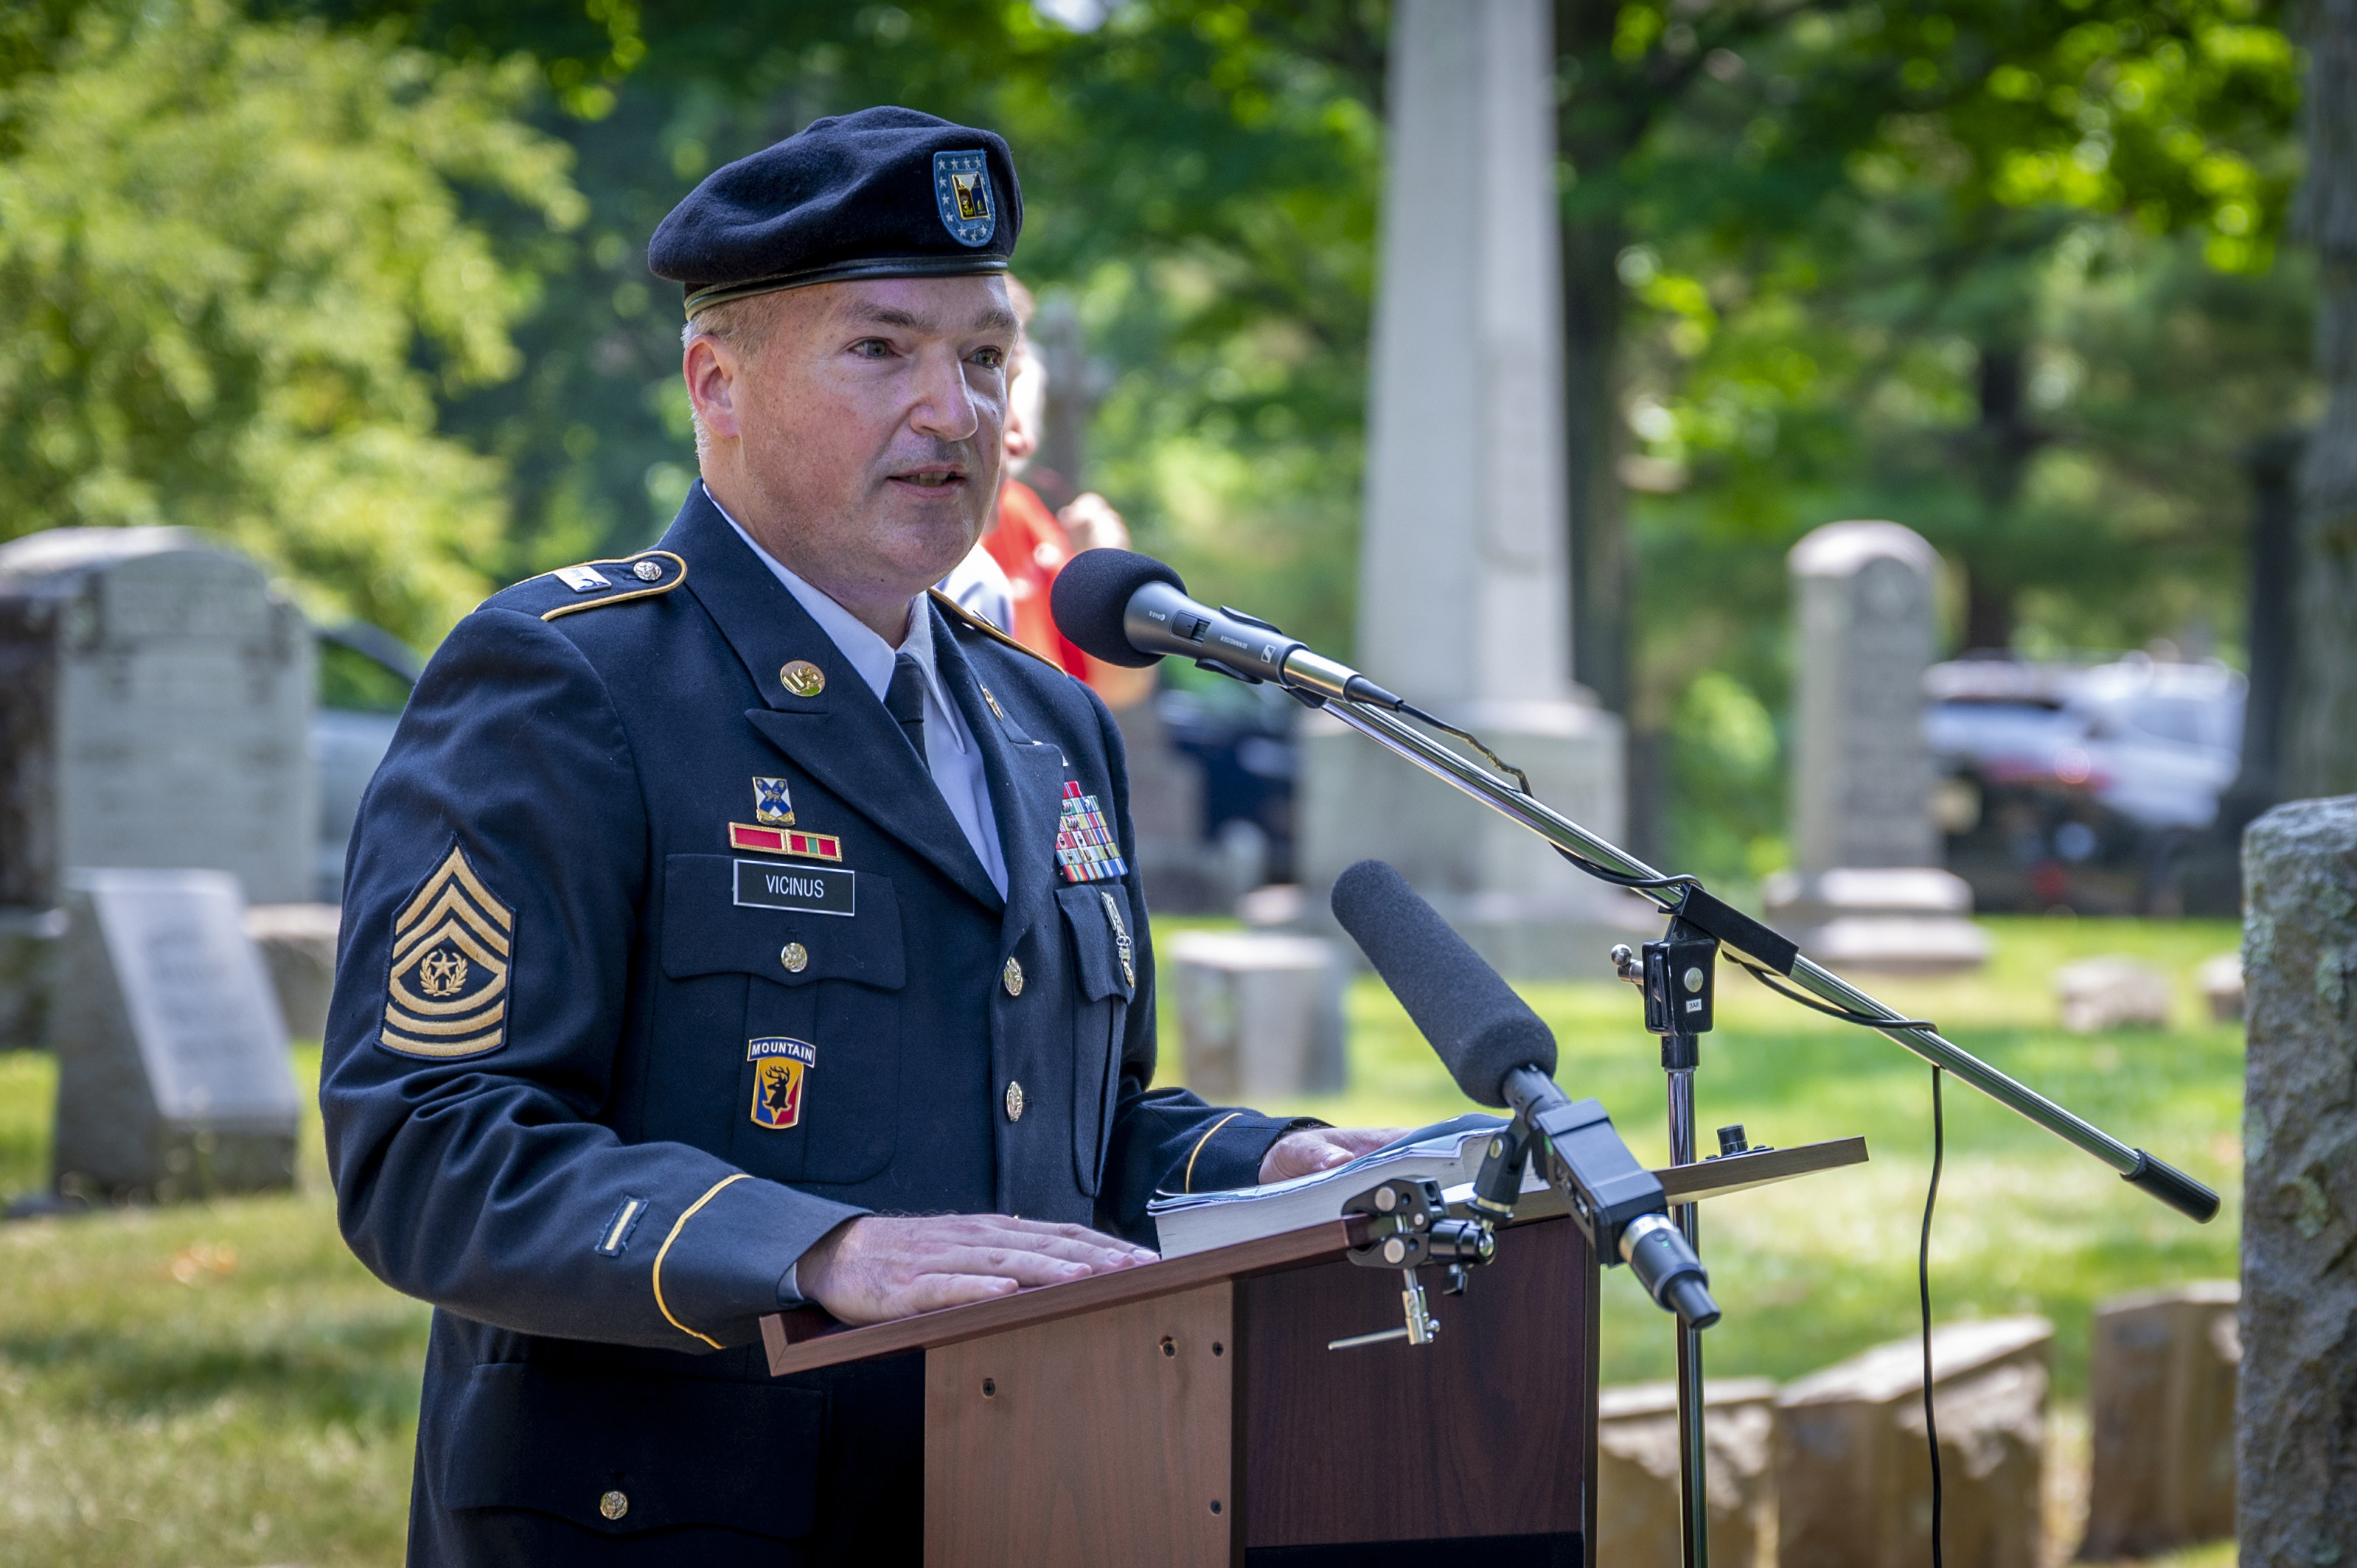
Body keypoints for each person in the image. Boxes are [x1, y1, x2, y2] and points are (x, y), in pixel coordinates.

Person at [318, 106, 1397, 1565]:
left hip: (1027, 1502)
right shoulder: (570, 681)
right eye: (882, 348)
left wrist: (1274, 1163)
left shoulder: (1043, 718)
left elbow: (1052, 1147)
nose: (954, 410)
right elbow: (431, 1146)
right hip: (678, 1523)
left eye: (982, 355)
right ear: (718, 383)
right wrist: (814, 1249)